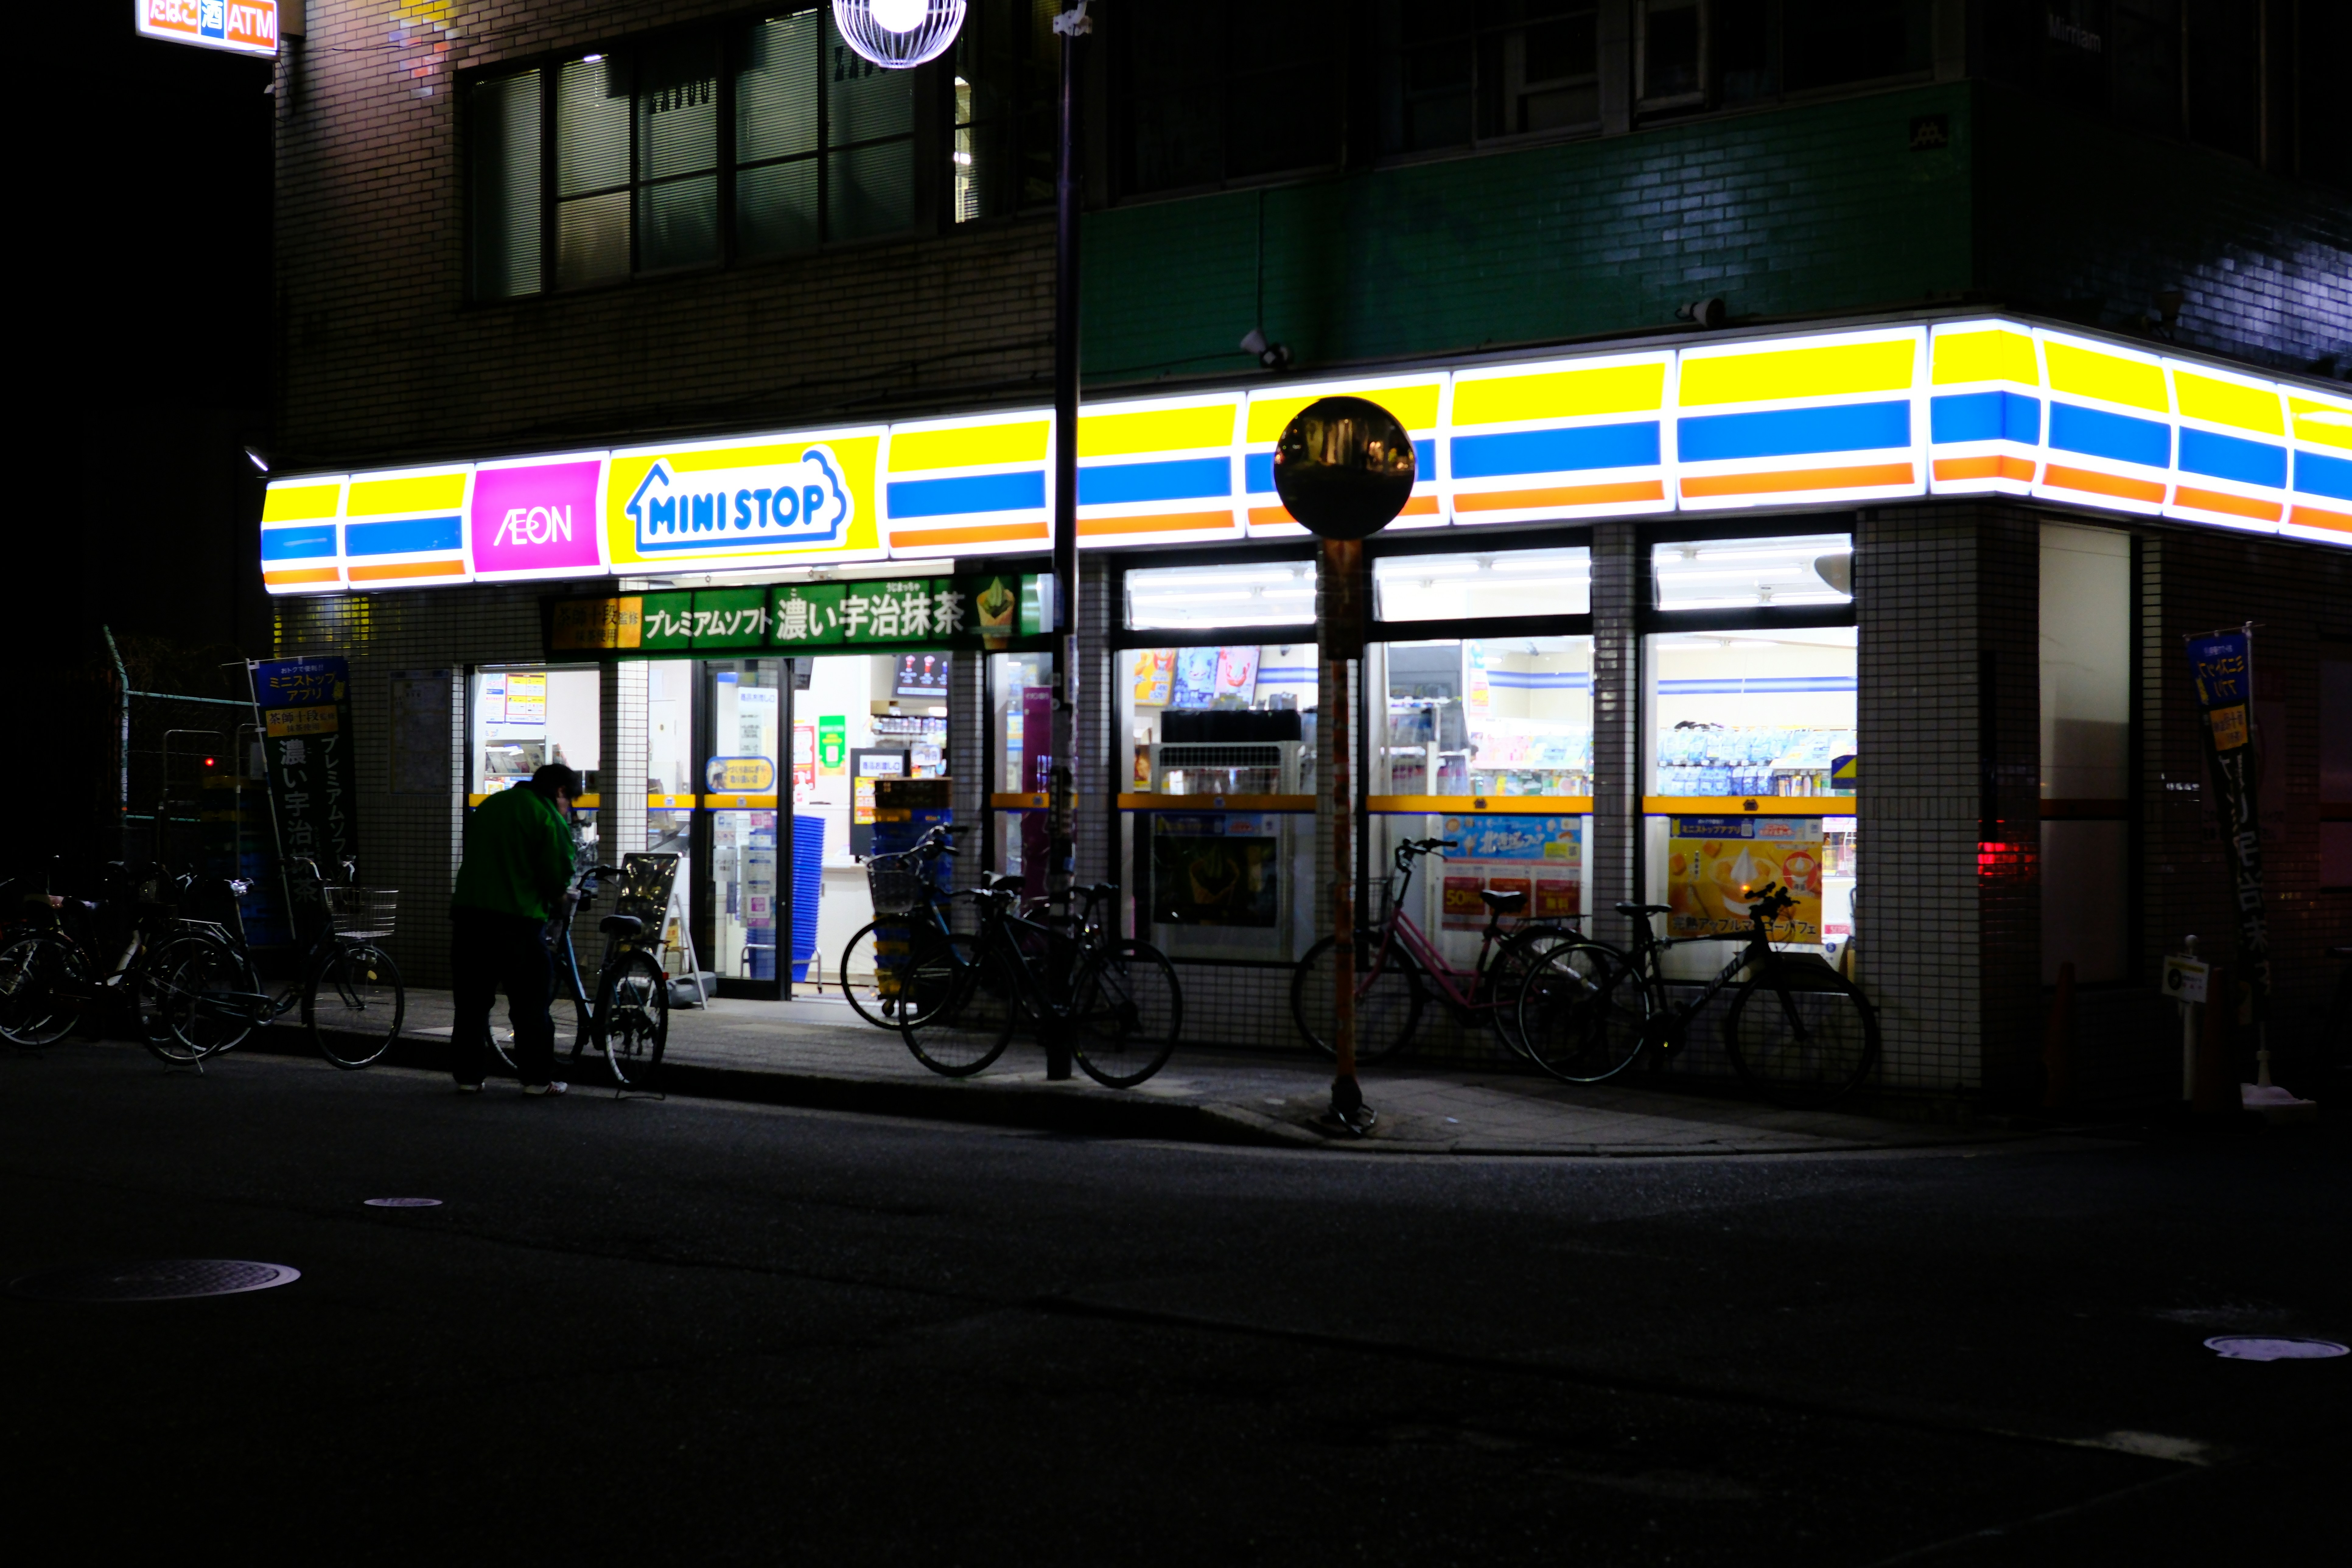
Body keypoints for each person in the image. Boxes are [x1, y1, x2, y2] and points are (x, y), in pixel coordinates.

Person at [449, 762, 580, 1095]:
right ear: (561, 791)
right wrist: (561, 896)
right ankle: (537, 1080)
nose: (568, 809)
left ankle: (468, 1077)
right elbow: (558, 873)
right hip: (517, 923)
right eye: (570, 801)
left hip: (469, 919)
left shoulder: (492, 805)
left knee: (471, 1005)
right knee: (530, 1006)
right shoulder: (546, 814)